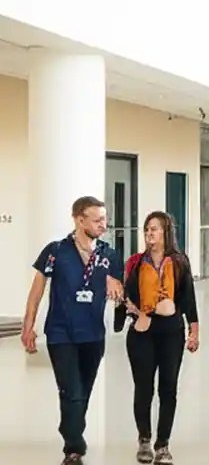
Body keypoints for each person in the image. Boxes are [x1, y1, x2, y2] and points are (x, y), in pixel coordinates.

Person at [22, 196, 124, 465]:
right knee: (72, 391)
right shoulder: (55, 251)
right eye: (97, 219)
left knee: (83, 393)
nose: (104, 224)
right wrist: (27, 326)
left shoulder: (109, 254)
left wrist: (118, 287)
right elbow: (37, 291)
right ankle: (73, 448)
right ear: (80, 219)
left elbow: (119, 286)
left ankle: (71, 434)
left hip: (93, 335)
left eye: (105, 218)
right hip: (60, 333)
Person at [114, 211, 199, 465]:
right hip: (142, 332)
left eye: (155, 229)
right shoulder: (136, 263)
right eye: (147, 229)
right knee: (143, 388)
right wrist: (138, 312)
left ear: (166, 233)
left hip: (172, 332)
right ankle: (144, 439)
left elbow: (189, 299)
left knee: (168, 389)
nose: (150, 234)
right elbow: (125, 295)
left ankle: (163, 444)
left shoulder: (180, 262)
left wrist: (194, 331)